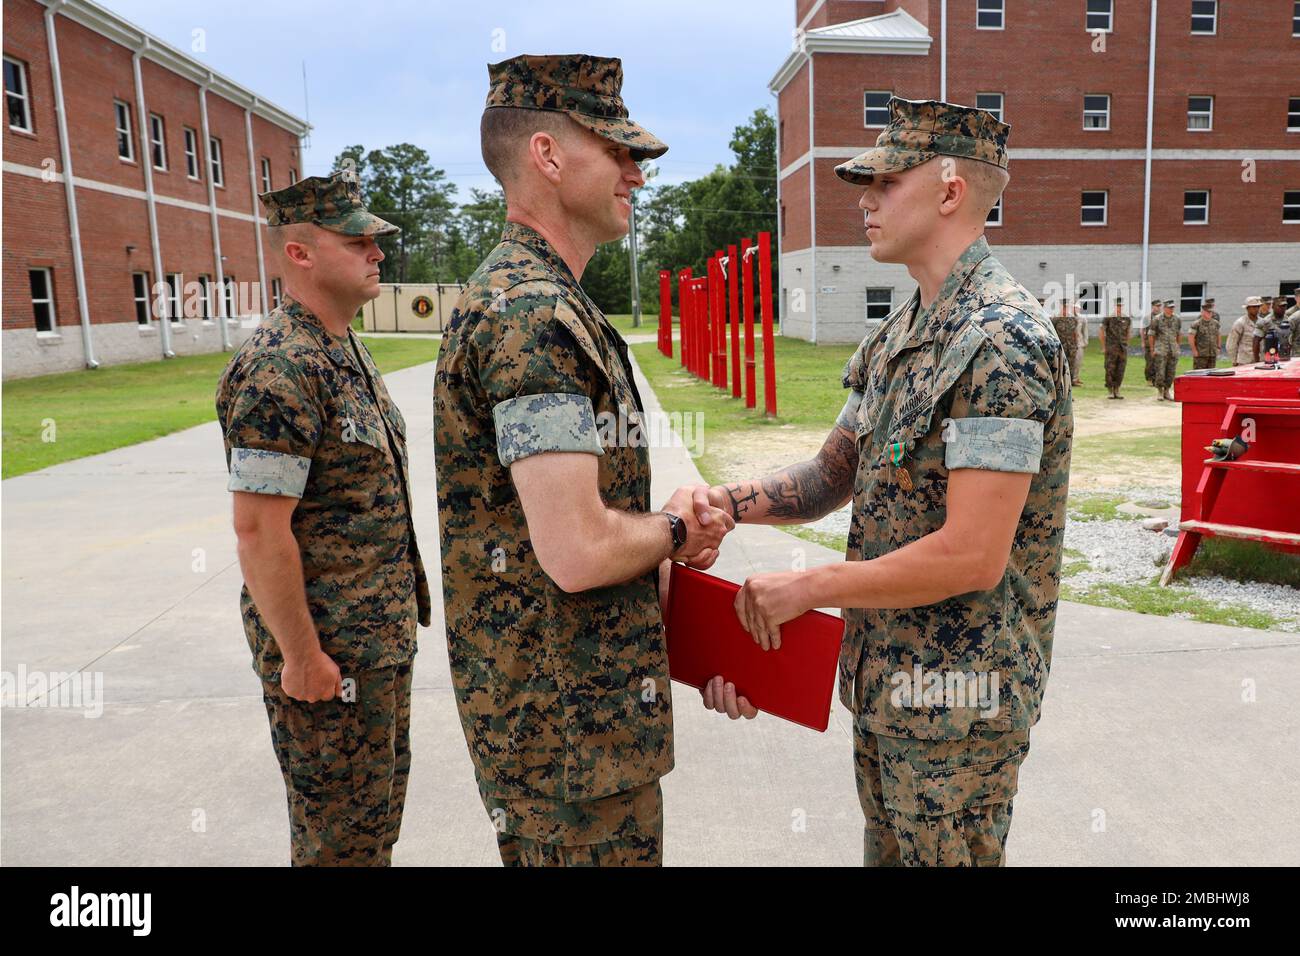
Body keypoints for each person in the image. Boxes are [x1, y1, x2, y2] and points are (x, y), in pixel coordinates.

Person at [691, 97, 1072, 867]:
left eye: (886, 181)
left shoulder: (1003, 341)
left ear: (949, 191)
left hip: (961, 708)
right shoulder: (900, 333)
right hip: (888, 690)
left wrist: (806, 588)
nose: (864, 200)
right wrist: (722, 506)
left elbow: (972, 555)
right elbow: (834, 474)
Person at [432, 53, 733, 868]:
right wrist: (673, 526)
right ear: (548, 155)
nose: (637, 172)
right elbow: (577, 552)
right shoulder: (531, 317)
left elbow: (583, 541)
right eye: (619, 150)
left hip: (583, 731)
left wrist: (706, 632)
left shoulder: (559, 307)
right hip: (567, 748)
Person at [215, 171, 431, 865]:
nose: (377, 252)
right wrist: (303, 658)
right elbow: (258, 530)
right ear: (300, 254)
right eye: (358, 240)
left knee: (370, 836)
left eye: (377, 241)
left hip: (377, 649)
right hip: (329, 660)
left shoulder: (345, 349)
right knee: (337, 846)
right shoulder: (281, 366)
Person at [1099, 296, 1132, 398]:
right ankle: (1110, 390)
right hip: (1111, 348)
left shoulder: (1126, 318)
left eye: (1121, 306)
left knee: (1121, 369)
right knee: (1110, 369)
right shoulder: (1108, 318)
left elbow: (1128, 333)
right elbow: (1101, 332)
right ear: (1114, 306)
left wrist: (1126, 344)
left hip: (1122, 349)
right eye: (1118, 306)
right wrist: (1104, 346)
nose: (1120, 308)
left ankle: (1117, 389)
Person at [1151, 299, 1181, 400]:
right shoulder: (1157, 319)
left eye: (1172, 308)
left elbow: (1178, 333)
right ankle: (1160, 391)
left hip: (1173, 350)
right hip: (1161, 349)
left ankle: (1167, 391)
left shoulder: (1177, 319)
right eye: (1169, 308)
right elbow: (1151, 334)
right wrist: (1152, 349)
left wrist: (1177, 346)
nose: (1171, 309)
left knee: (1171, 372)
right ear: (1164, 308)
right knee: (1160, 371)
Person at [1049, 300, 1080, 386]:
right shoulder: (1055, 320)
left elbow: (1075, 333)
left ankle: (1069, 392)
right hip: (1060, 349)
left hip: (1071, 349)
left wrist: (1076, 346)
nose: (1065, 309)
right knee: (1059, 371)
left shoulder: (1073, 319)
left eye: (1067, 307)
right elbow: (1052, 335)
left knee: (1070, 371)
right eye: (1064, 307)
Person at [1254, 295, 1291, 362]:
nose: (1283, 308)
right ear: (1273, 306)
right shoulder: (1265, 322)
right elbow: (1256, 341)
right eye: (1280, 306)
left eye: (1284, 306)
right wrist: (1256, 360)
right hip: (1270, 357)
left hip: (1286, 357)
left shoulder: (1289, 320)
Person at [1226, 296, 1262, 366]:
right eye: (1254, 307)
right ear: (1247, 308)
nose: (1257, 309)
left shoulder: (1262, 322)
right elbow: (1231, 344)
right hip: (1244, 361)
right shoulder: (1240, 323)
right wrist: (1234, 361)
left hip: (1260, 361)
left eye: (1258, 307)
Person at [1189, 301, 1220, 370]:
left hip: (1212, 353)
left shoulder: (1215, 323)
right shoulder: (1196, 324)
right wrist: (1194, 350)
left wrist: (1218, 347)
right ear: (1202, 312)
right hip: (1201, 354)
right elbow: (1191, 338)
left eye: (1211, 312)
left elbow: (1218, 335)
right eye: (1208, 312)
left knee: (1212, 374)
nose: (1210, 313)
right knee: (1199, 374)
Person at [1143, 299, 1161, 384]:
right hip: (1148, 343)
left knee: (1159, 362)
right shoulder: (1147, 318)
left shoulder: (1162, 317)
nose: (1158, 308)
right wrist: (1143, 342)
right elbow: (1142, 330)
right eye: (1157, 306)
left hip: (1159, 343)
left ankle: (1156, 378)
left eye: (1159, 306)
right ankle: (1149, 379)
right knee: (1150, 361)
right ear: (1153, 306)